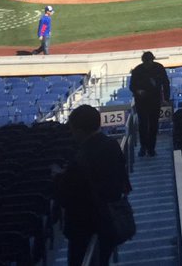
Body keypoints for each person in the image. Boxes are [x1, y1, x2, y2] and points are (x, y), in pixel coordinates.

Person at [53, 104, 132, 266]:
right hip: (109, 222)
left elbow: (66, 198)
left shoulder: (80, 159)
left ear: (79, 131)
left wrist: (59, 178)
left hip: (85, 228)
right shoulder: (112, 145)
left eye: (72, 130)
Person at [128, 51, 170, 157]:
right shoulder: (137, 70)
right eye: (146, 61)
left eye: (150, 61)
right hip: (141, 101)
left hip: (155, 100)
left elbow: (166, 83)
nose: (148, 63)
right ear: (143, 61)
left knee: (153, 125)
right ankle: (143, 147)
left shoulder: (159, 68)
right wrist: (138, 91)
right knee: (142, 125)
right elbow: (132, 86)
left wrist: (166, 98)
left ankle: (151, 148)